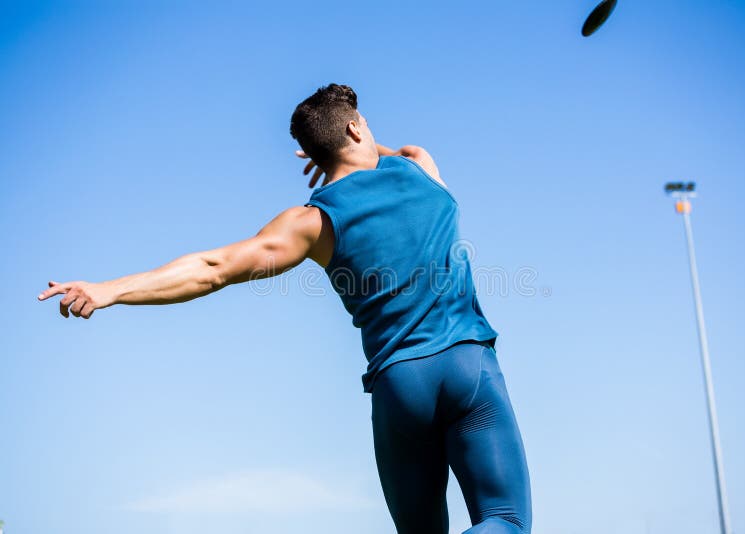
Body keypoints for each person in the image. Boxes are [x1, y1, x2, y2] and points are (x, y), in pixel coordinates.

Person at [37, 83, 532, 534]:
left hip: (399, 386)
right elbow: (405, 149)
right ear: (357, 128)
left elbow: (213, 267)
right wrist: (345, 145)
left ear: (319, 150)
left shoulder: (312, 222)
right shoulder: (420, 173)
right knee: (503, 520)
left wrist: (110, 290)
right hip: (469, 365)